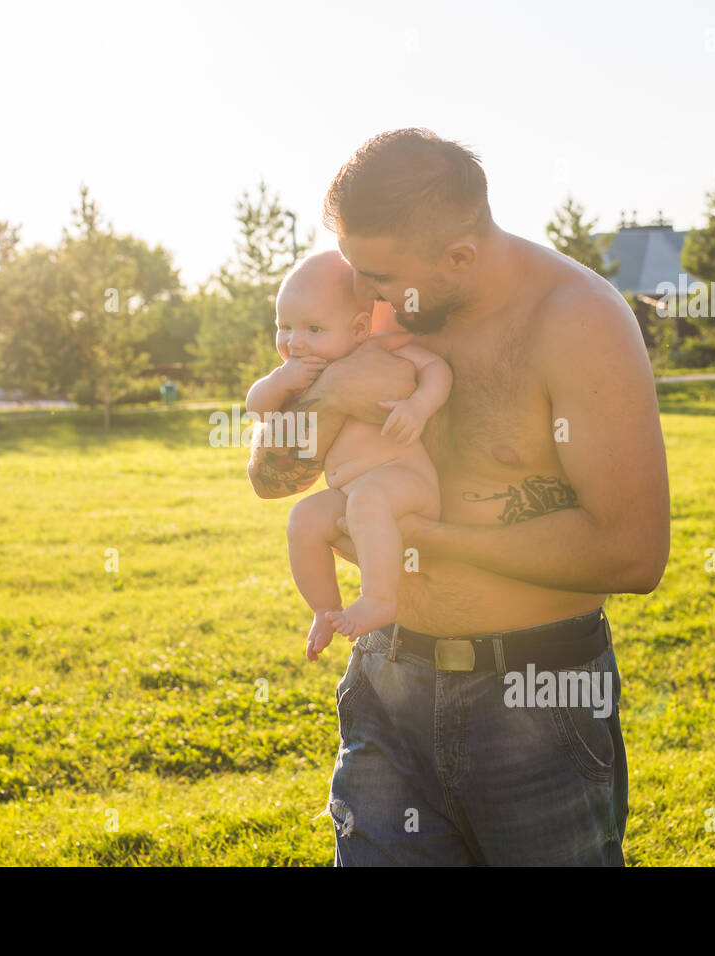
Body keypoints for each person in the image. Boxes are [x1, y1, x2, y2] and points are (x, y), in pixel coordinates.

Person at [246, 128, 670, 866]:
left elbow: (632, 553)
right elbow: (270, 478)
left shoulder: (578, 320)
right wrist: (332, 392)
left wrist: (427, 541)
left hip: (534, 701)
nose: (364, 294)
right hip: (387, 682)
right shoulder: (374, 307)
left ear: (459, 258)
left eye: (377, 275)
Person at [245, 250, 452, 661]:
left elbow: (435, 367)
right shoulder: (297, 377)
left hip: (405, 480)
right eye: (284, 327)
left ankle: (378, 599)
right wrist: (281, 379)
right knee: (304, 519)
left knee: (368, 499)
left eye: (314, 329)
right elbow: (257, 407)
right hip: (353, 491)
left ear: (359, 327)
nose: (295, 341)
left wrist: (419, 407)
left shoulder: (380, 348)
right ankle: (324, 608)